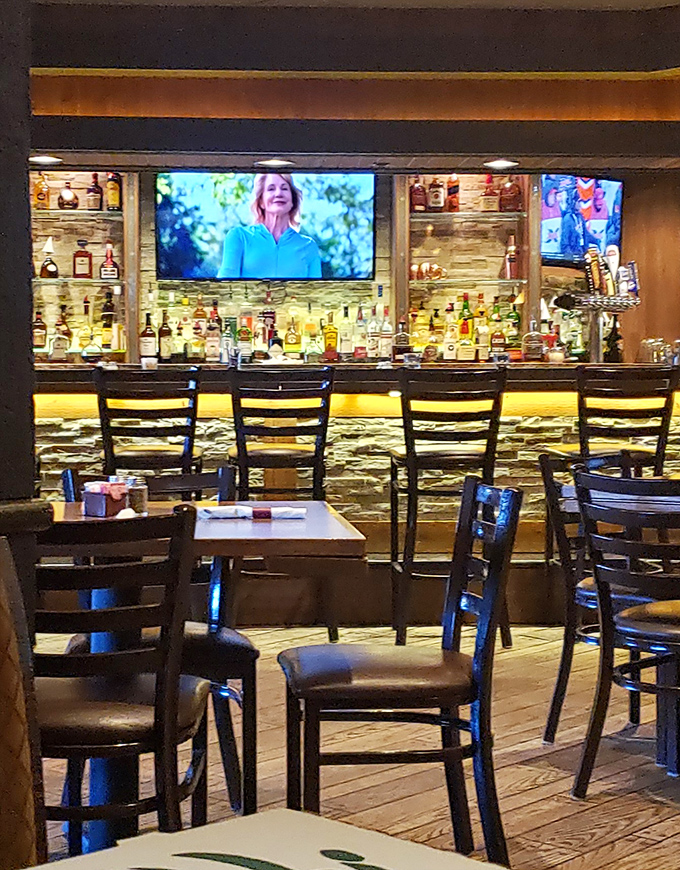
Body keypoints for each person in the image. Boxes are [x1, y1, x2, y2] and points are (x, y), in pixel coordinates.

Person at [217, 173, 322, 279]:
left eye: (284, 188)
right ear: (261, 201)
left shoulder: (308, 246)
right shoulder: (239, 237)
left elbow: (317, 293)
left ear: (293, 201)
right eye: (271, 189)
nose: (278, 193)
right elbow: (225, 287)